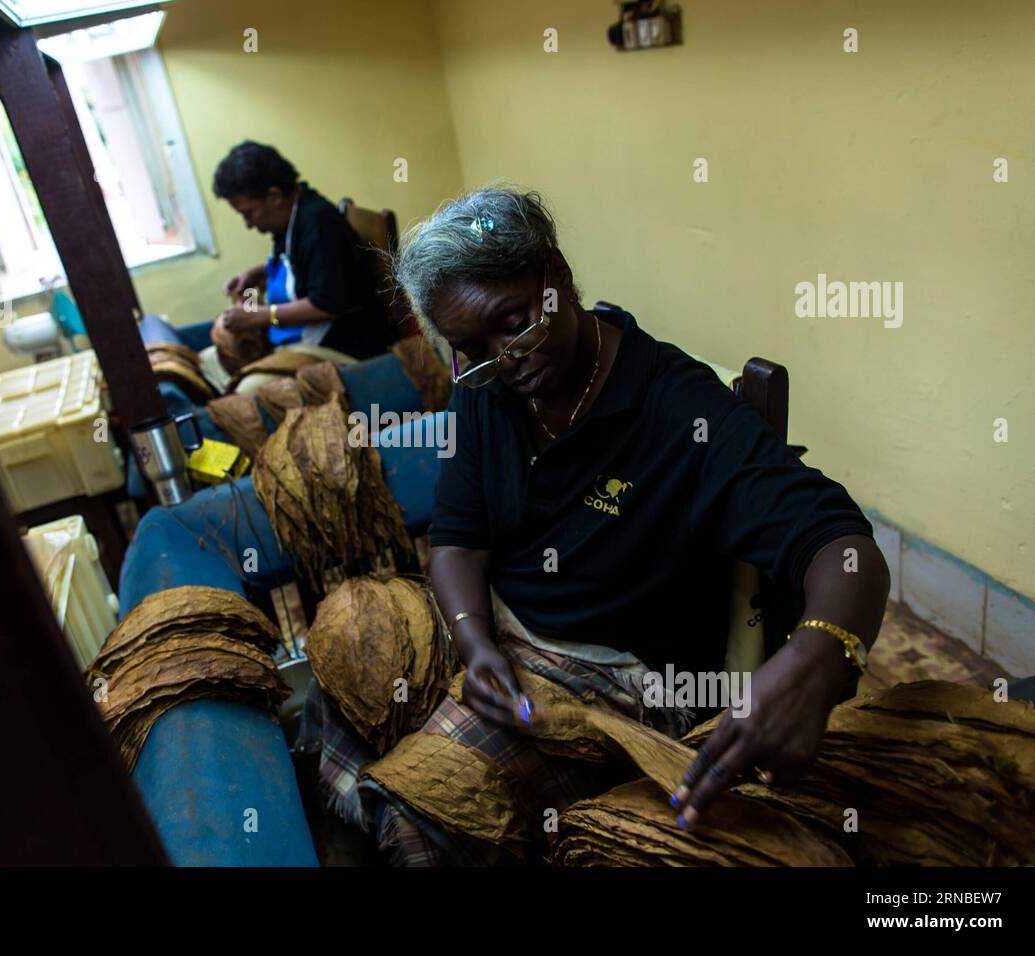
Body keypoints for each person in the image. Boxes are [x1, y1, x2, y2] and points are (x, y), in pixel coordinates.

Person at [337, 186, 891, 865]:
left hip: (612, 675)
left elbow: (841, 544)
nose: (504, 360)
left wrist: (818, 654)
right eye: (472, 348)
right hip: (498, 630)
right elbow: (457, 537)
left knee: (416, 825)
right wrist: (475, 641)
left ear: (558, 280)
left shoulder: (679, 409)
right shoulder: (484, 386)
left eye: (516, 322)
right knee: (338, 693)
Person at [203, 141, 394, 393]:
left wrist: (259, 316)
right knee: (207, 361)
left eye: (249, 213)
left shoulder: (320, 225)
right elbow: (306, 262)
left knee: (249, 390)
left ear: (274, 196)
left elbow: (326, 304)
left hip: (347, 348)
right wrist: (256, 273)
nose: (248, 224)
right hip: (309, 339)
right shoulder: (293, 218)